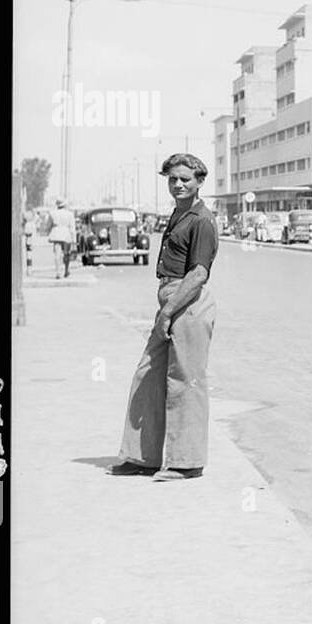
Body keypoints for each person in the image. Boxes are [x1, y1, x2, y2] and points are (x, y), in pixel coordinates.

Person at [110, 153, 219, 481]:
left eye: (185, 179)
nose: (178, 184)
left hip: (189, 302)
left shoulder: (202, 220)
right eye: (173, 179)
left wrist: (168, 313)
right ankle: (143, 456)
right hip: (171, 300)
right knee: (149, 374)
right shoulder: (177, 214)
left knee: (186, 381)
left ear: (200, 181)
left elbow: (199, 273)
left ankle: (186, 463)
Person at [46, 199, 76, 279]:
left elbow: (48, 225)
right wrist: (74, 239)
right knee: (66, 253)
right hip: (66, 234)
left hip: (56, 234)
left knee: (57, 254)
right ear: (65, 205)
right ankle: (66, 270)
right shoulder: (70, 214)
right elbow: (72, 228)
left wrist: (48, 233)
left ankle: (58, 272)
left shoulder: (52, 213)